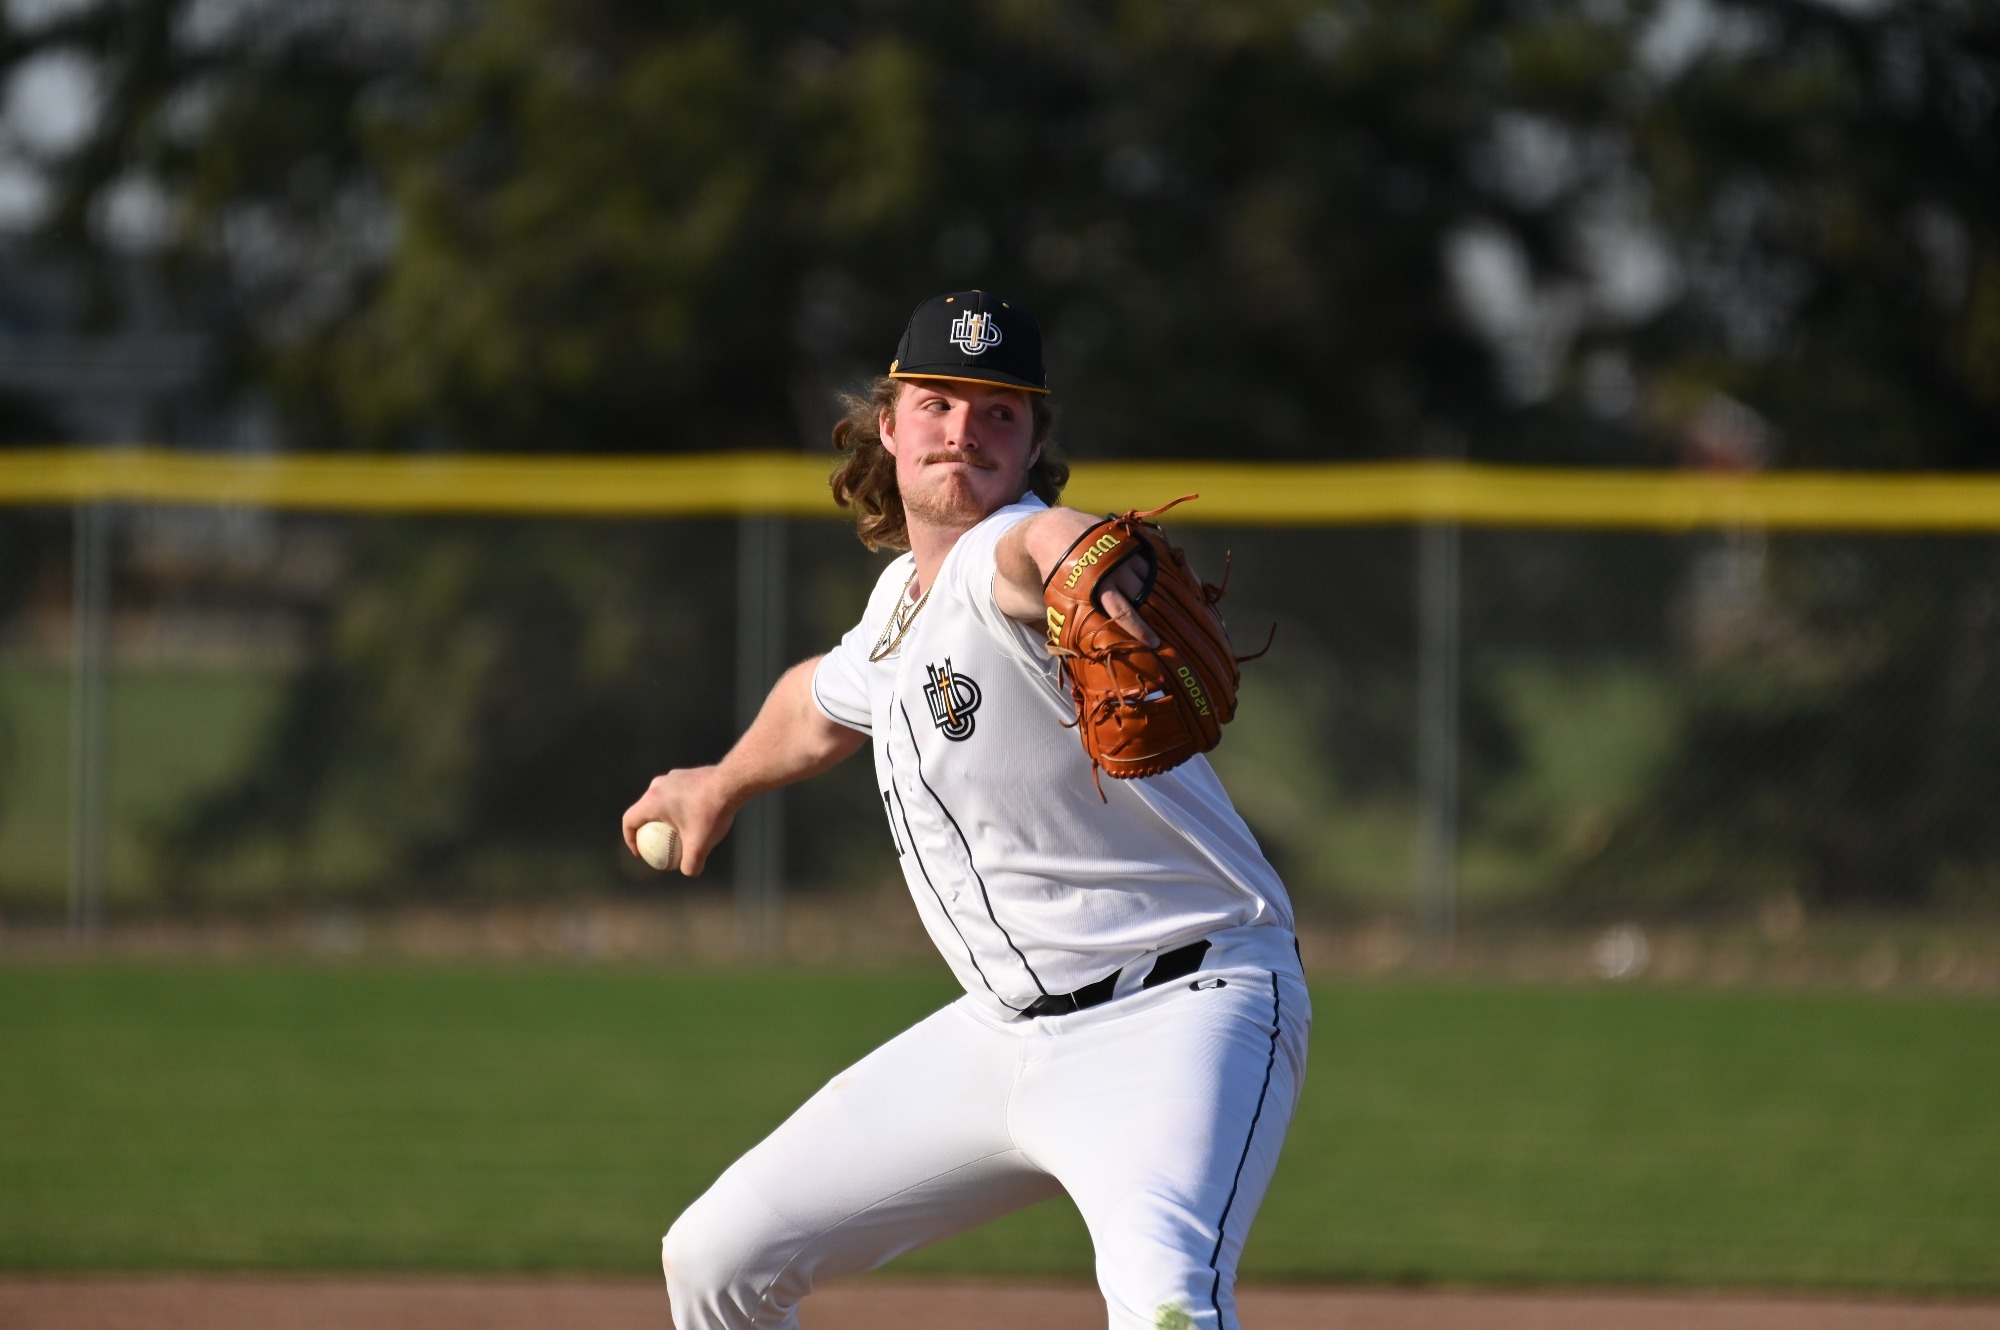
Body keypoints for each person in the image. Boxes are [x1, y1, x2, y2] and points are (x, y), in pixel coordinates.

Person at [622, 290, 1308, 1330]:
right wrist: (716, 784)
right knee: (717, 1257)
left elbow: (1046, 550)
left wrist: (1088, 557)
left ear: (1031, 444)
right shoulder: (899, 601)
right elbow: (819, 705)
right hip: (1002, 1032)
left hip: (1181, 1011)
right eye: (938, 404)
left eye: (999, 412)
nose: (964, 430)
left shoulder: (1007, 552)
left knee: (1165, 1298)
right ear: (889, 427)